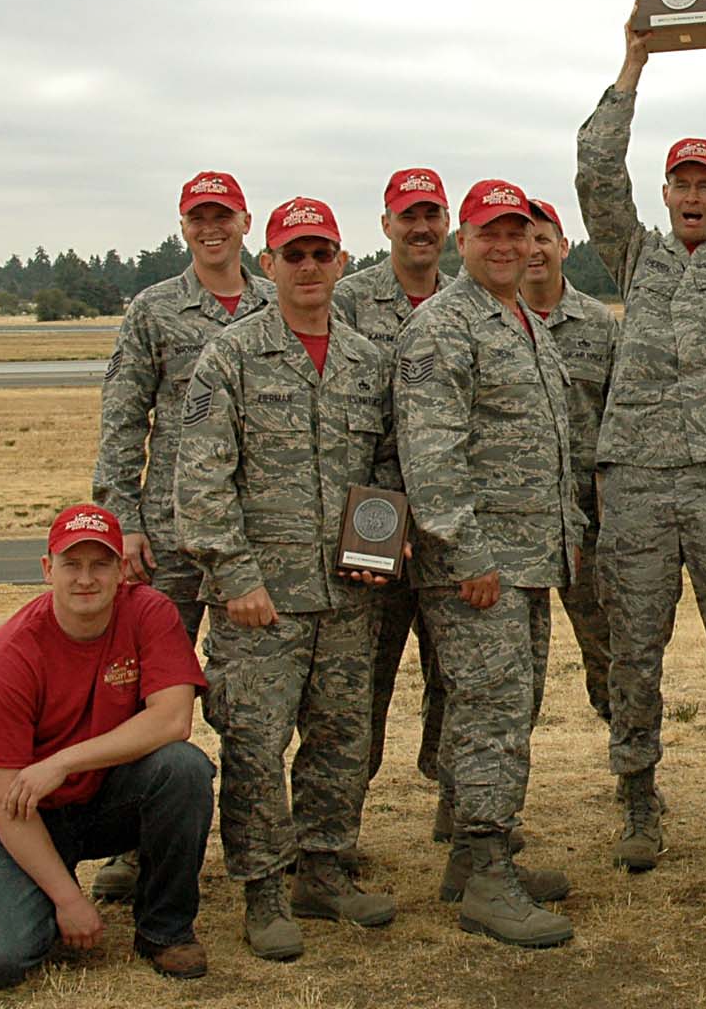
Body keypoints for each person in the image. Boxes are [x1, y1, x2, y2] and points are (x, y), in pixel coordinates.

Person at [575, 0, 706, 876]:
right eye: (682, 183)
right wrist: (632, 67)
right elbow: (595, 175)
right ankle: (638, 801)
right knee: (635, 651)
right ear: (665, 195)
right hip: (635, 484)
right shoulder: (635, 255)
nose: (694, 194)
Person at [176, 198, 401, 961]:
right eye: (293, 255)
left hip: (346, 595)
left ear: (343, 263)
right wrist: (237, 577)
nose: (308, 268)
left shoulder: (368, 361)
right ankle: (265, 888)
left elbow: (385, 473)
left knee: (342, 738)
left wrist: (379, 555)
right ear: (265, 265)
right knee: (255, 743)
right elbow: (201, 481)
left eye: (322, 253)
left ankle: (325, 870)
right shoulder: (230, 357)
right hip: (258, 603)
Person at [395, 178, 583, 948]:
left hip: (526, 558)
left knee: (513, 706)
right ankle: (483, 875)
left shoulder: (517, 321)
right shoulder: (445, 326)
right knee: (488, 713)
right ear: (460, 241)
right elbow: (431, 451)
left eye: (519, 232)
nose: (507, 246)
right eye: (490, 233)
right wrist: (466, 552)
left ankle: (483, 855)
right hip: (480, 565)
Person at [90, 170, 272, 901]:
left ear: (245, 220)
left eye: (222, 216)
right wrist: (123, 521)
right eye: (198, 218)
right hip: (166, 538)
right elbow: (122, 420)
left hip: (249, 536)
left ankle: (259, 842)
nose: (211, 229)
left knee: (246, 697)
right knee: (142, 694)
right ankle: (135, 846)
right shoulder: (154, 310)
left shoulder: (274, 299)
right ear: (182, 226)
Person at [0, 504, 212, 987]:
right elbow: (0, 796)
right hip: (23, 812)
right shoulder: (9, 657)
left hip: (104, 798)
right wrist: (69, 902)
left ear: (121, 571)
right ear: (47, 570)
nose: (86, 579)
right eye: (72, 564)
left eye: (101, 564)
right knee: (0, 963)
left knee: (184, 769)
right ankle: (46, 894)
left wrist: (62, 762)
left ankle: (165, 930)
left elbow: (173, 719)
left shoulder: (148, 611)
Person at [331, 168, 450, 834]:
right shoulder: (347, 301)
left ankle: (460, 812)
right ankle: (336, 831)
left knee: (456, 677)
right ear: (386, 224)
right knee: (360, 682)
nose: (421, 227)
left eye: (431, 214)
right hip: (372, 519)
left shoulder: (469, 302)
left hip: (444, 521)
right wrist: (366, 524)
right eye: (409, 215)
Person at [519, 195, 618, 727]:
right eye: (521, 238)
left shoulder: (601, 326)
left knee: (611, 657)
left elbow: (620, 423)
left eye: (542, 238)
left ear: (564, 247)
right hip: (513, 526)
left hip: (587, 525)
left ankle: (631, 772)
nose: (532, 250)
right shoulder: (487, 322)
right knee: (508, 669)